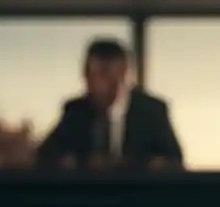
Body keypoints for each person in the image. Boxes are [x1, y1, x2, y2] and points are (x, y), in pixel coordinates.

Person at [37, 39, 183, 171]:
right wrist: (83, 162)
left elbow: (174, 161)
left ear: (124, 74)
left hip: (139, 194)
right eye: (89, 75)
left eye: (103, 75)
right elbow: (46, 156)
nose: (95, 84)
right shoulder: (75, 110)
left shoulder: (152, 110)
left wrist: (136, 164)